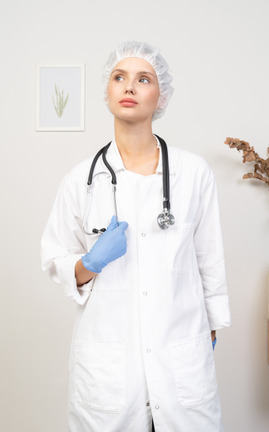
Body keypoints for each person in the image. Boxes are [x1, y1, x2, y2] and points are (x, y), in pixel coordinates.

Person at [41, 41, 231, 432]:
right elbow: (55, 259)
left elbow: (209, 258)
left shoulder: (193, 174)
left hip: (180, 353)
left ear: (160, 96)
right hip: (109, 363)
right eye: (119, 77)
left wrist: (208, 329)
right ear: (108, 91)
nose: (129, 87)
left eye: (143, 79)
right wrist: (89, 262)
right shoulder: (81, 179)